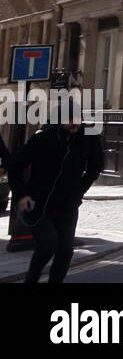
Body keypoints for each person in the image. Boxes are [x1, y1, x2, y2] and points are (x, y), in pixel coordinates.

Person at [8, 108, 103, 283]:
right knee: (48, 245)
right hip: (39, 204)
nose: (74, 123)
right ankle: (31, 280)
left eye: (77, 119)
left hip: (68, 204)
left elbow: (95, 167)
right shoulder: (42, 139)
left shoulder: (89, 139)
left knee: (66, 250)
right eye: (69, 119)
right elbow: (15, 167)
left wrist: (79, 190)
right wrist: (22, 195)